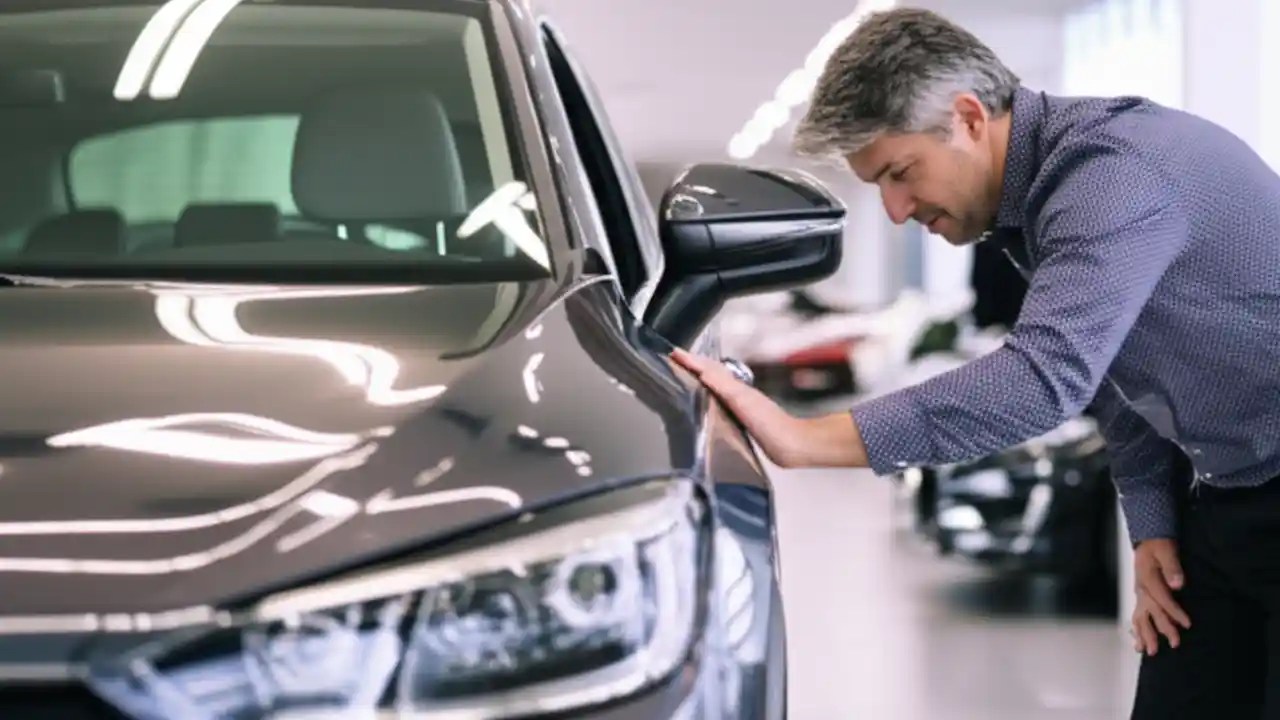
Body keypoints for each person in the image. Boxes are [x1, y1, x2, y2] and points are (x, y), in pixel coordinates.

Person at [671, 7, 1280, 719]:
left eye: (900, 173)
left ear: (967, 116)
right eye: (878, 187)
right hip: (1230, 498)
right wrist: (1152, 526)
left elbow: (1045, 379)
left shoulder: (1110, 174)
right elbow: (1120, 377)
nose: (896, 210)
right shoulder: (1036, 206)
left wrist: (809, 439)